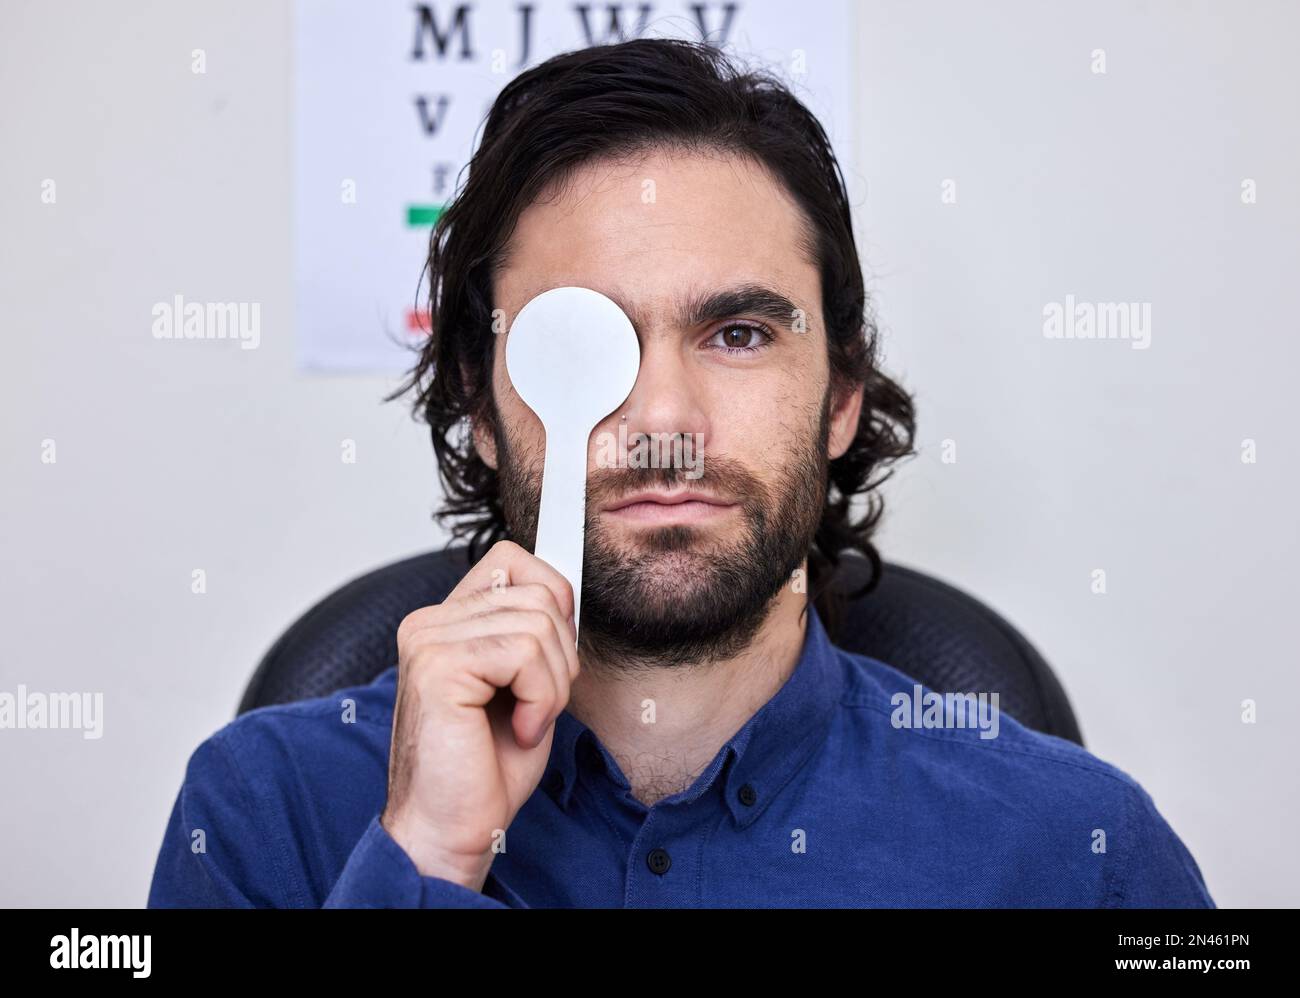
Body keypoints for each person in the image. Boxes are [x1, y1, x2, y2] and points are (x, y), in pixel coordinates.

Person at [148, 38, 1214, 908]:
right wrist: (428, 859)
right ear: (478, 402)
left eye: (739, 332)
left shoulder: (1080, 854)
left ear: (842, 393)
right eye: (583, 341)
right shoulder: (261, 814)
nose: (660, 415)